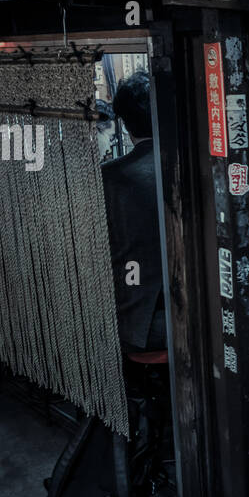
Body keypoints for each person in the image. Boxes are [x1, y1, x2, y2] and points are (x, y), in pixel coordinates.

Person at [101, 70, 166, 353]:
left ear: (125, 126)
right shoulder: (191, 168)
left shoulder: (109, 177)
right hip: (199, 316)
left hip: (133, 320)